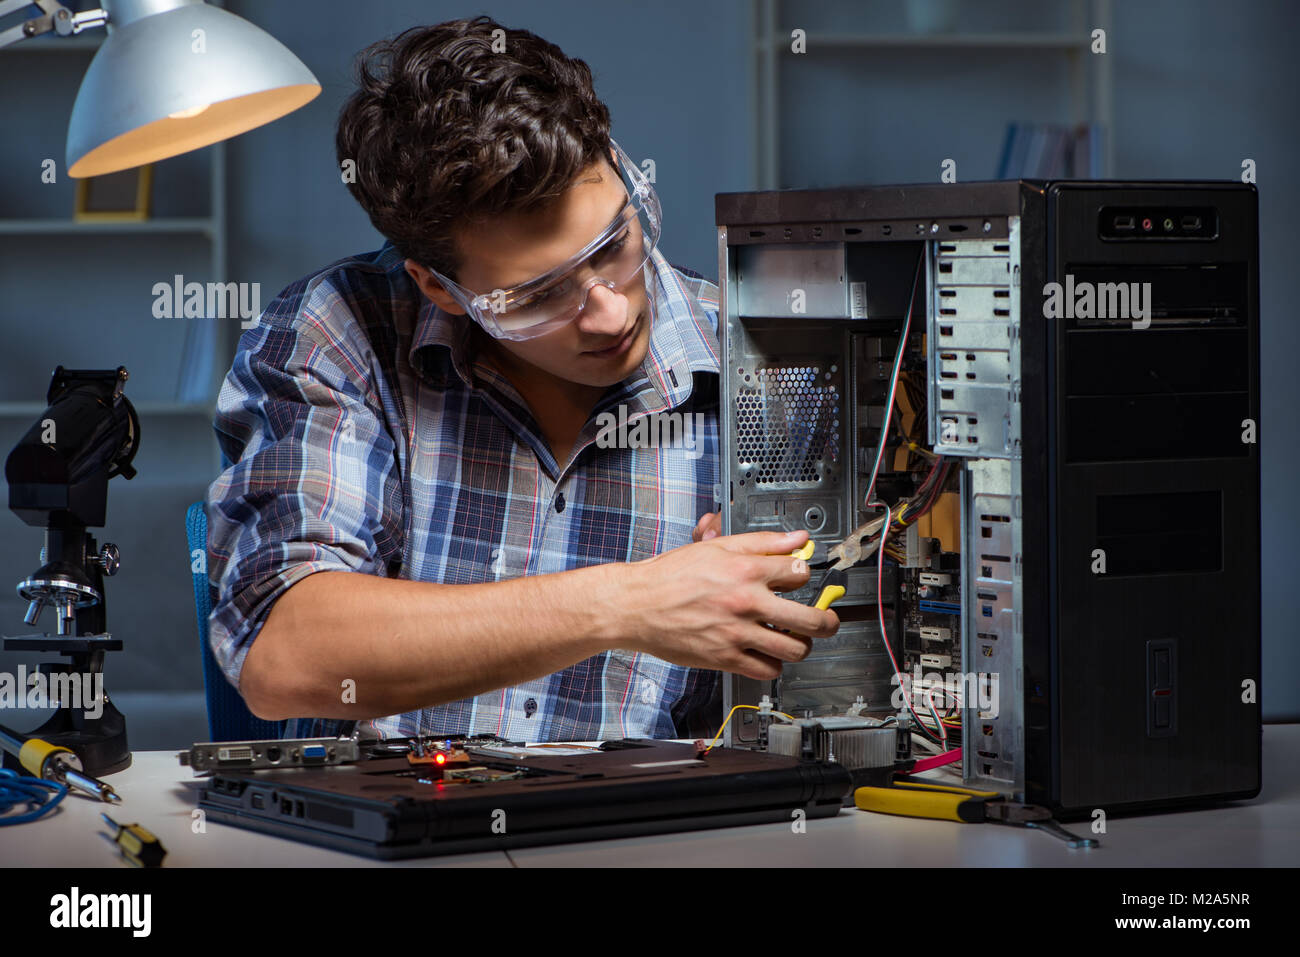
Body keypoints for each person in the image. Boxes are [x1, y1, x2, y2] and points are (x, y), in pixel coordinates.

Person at [205, 16, 838, 743]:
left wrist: (771, 607)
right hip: (398, 844)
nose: (606, 313)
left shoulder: (764, 360)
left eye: (615, 245)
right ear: (440, 289)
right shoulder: (341, 331)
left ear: (625, 170)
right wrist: (630, 603)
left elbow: (824, 698)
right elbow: (287, 654)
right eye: (539, 296)